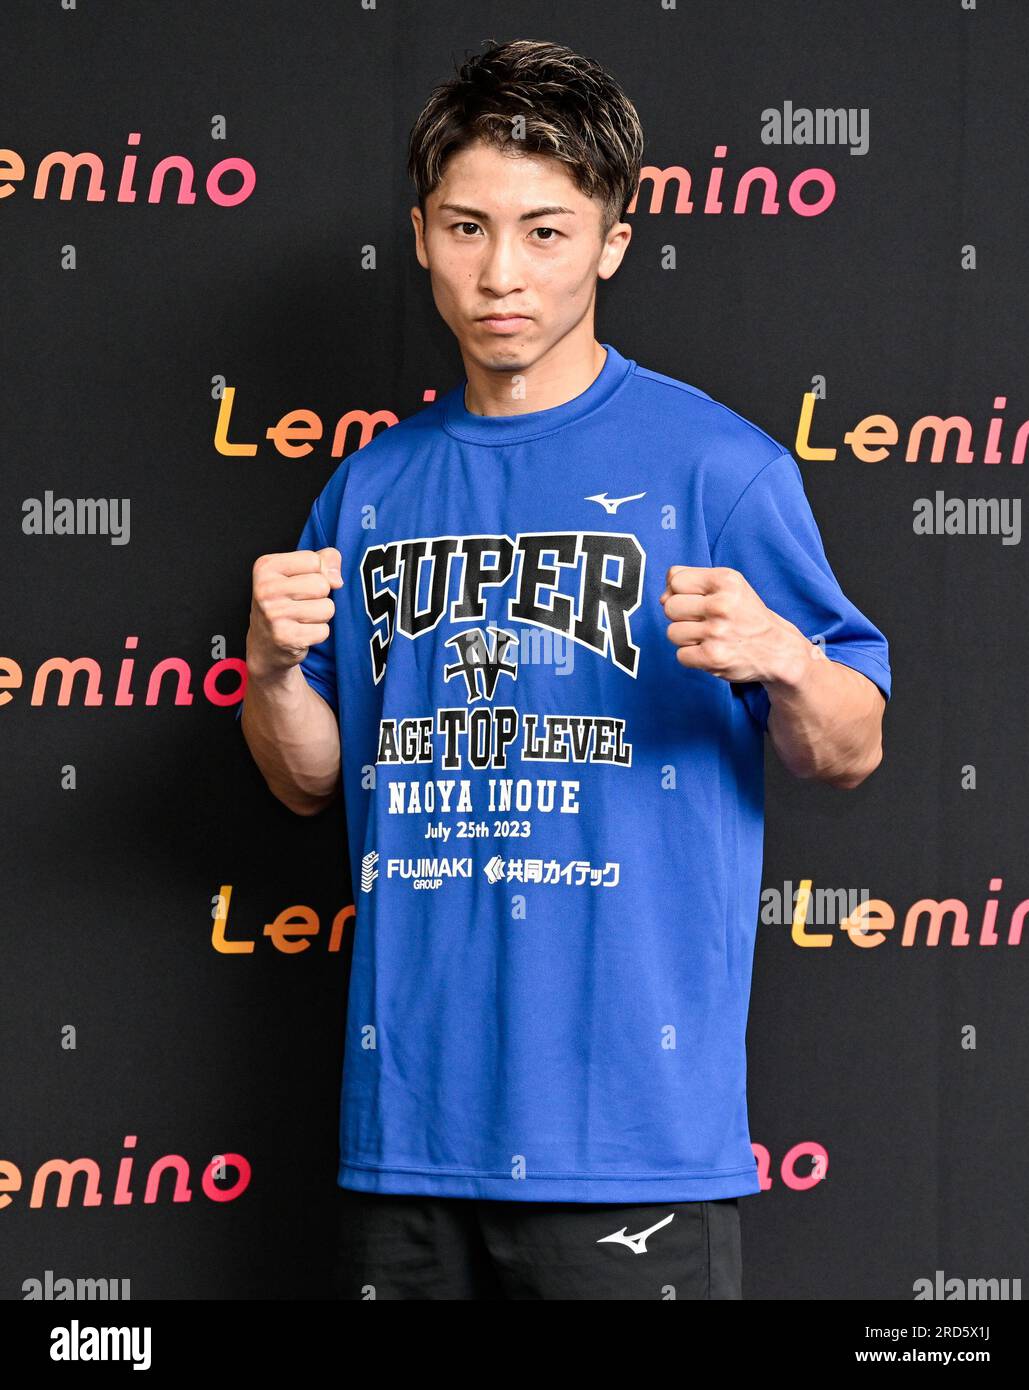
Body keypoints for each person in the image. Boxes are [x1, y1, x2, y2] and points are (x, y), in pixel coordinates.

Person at [238, 38, 891, 1300]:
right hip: (408, 1136)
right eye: (467, 227)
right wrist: (270, 674)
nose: (499, 274)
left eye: (544, 232)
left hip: (629, 1142)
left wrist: (784, 659)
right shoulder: (368, 488)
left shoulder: (719, 467)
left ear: (610, 243)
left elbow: (848, 745)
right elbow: (310, 781)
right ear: (421, 236)